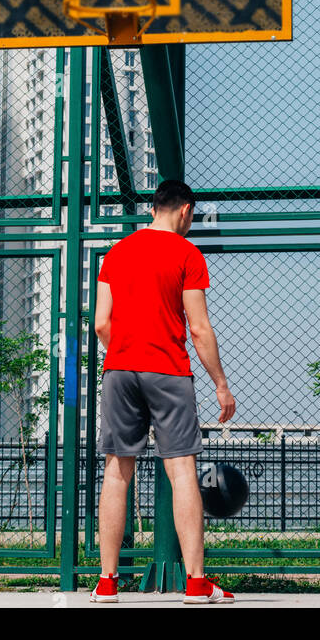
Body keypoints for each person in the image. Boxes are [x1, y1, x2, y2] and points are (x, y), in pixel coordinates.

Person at [90, 178, 237, 604]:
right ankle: (195, 583)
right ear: (186, 211)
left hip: (119, 369)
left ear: (153, 208)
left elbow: (101, 322)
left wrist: (124, 351)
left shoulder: (117, 253)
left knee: (118, 472)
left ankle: (106, 582)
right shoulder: (187, 253)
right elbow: (199, 327)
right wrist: (221, 385)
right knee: (182, 473)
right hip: (168, 371)